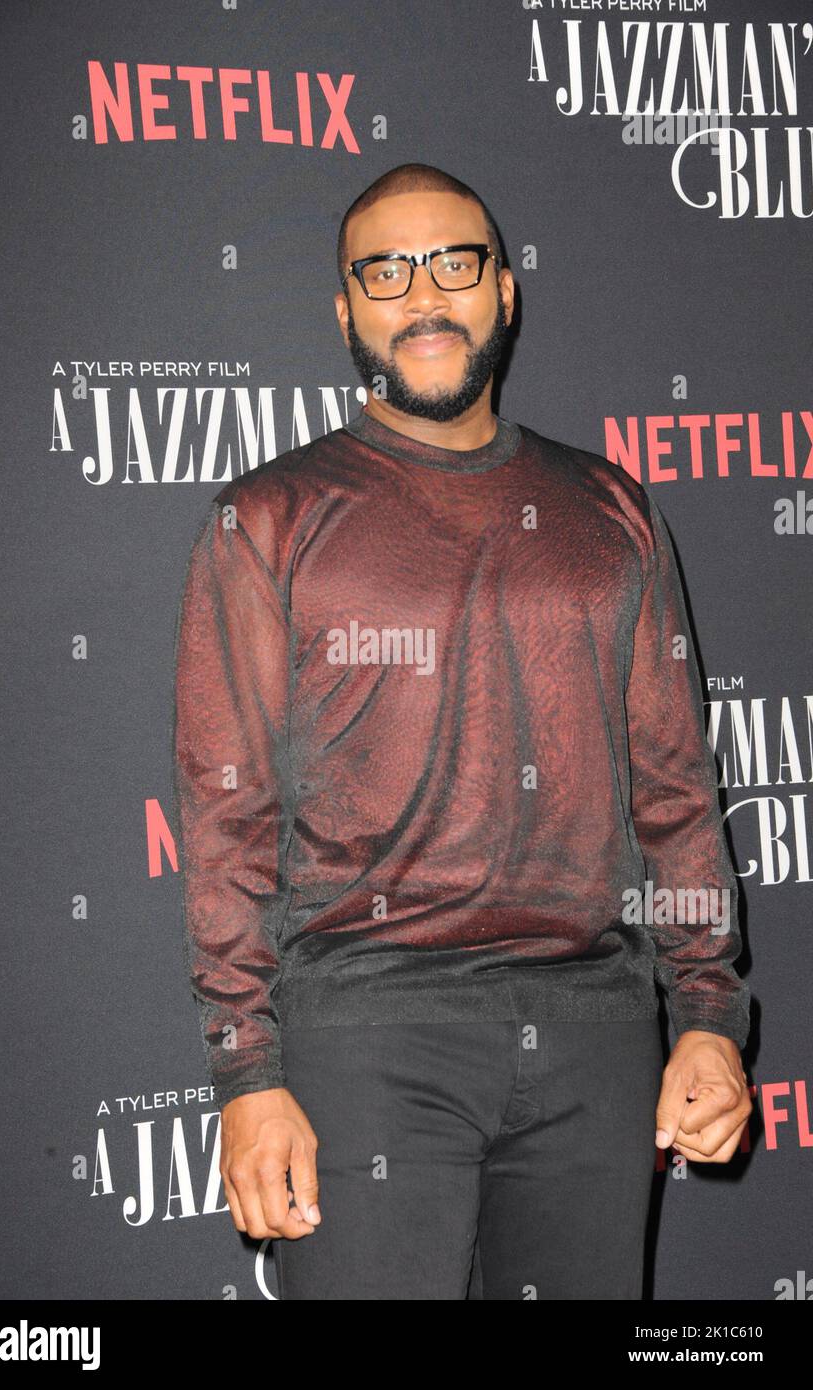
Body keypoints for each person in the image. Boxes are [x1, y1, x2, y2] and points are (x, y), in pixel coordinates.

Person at [172, 163, 753, 1300]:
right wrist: (246, 1074)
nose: (423, 294)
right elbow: (226, 814)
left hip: (597, 1033)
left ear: (506, 290)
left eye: (455, 262)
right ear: (345, 310)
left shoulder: (615, 508)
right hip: (366, 1039)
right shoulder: (268, 519)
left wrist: (710, 1013)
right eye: (385, 271)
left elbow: (674, 789)